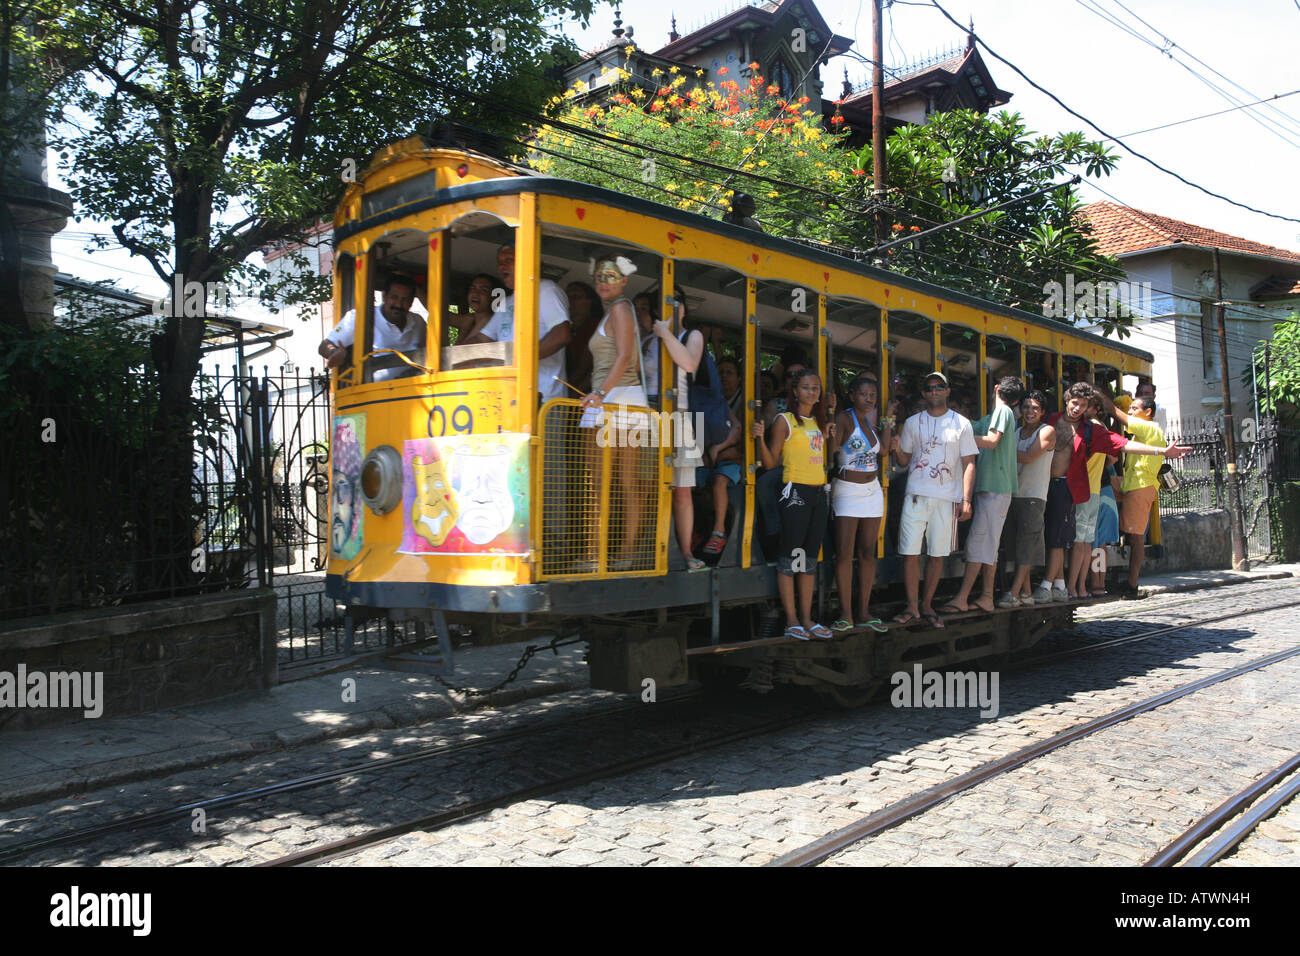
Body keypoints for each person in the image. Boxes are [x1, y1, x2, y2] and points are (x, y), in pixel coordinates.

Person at [1033, 383, 1190, 603]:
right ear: (1067, 400)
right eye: (1075, 403)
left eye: (1084, 405)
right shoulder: (1053, 420)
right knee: (1080, 541)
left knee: (1089, 541)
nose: (1078, 408)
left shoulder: (1098, 429)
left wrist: (1163, 451)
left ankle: (1102, 584)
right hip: (1077, 489)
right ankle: (1075, 585)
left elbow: (1121, 444)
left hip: (1089, 490)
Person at [890, 371, 978, 629]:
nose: (934, 391)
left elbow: (969, 463)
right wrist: (895, 447)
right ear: (924, 393)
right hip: (916, 495)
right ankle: (912, 606)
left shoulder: (961, 423)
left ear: (948, 391)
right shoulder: (912, 422)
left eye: (939, 387)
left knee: (938, 554)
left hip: (947, 498)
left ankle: (926, 605)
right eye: (929, 388)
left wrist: (966, 498)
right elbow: (905, 461)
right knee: (909, 553)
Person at [578, 255, 649, 571]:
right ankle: (623, 553)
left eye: (610, 276)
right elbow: (628, 361)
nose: (603, 282)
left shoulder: (620, 310)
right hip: (627, 401)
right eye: (599, 277)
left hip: (613, 401)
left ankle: (595, 554)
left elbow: (622, 358)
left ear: (623, 281)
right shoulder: (619, 312)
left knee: (598, 482)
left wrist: (599, 393)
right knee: (624, 481)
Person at [752, 368, 834, 640]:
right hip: (795, 492)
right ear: (795, 391)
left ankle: (807, 619)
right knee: (790, 559)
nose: (812, 392)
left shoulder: (820, 422)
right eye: (806, 387)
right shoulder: (784, 420)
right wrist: (759, 438)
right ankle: (791, 620)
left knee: (809, 560)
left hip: (818, 494)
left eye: (816, 388)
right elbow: (771, 462)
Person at [944, 376, 1024, 615]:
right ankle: (987, 596)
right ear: (1018, 398)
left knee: (978, 543)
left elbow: (990, 441)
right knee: (989, 545)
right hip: (995, 487)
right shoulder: (994, 417)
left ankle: (962, 598)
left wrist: (955, 441)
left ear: (996, 389)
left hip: (995, 487)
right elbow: (972, 426)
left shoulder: (1003, 411)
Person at [830, 375, 897, 632]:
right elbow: (833, 450)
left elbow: (883, 451)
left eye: (872, 395)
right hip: (847, 489)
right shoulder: (845, 418)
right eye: (863, 394)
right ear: (852, 395)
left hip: (872, 491)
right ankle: (846, 613)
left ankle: (864, 610)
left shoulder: (869, 423)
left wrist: (889, 417)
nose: (868, 399)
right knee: (845, 553)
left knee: (868, 552)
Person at [464, 242, 570, 401]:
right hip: (510, 398)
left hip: (543, 399)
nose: (501, 266)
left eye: (508, 260)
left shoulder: (546, 289)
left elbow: (562, 334)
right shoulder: (506, 302)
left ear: (528, 260)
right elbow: (482, 339)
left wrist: (518, 359)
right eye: (499, 263)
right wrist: (450, 357)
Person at [649, 287, 707, 571]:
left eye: (676, 301)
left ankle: (685, 553)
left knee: (682, 491)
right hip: (648, 419)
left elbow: (689, 363)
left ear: (684, 307)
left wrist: (665, 334)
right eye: (664, 301)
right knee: (649, 488)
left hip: (681, 417)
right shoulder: (650, 339)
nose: (670, 306)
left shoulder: (691, 335)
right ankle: (652, 550)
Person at [1109, 395, 1168, 599]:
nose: (1131, 411)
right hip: (1129, 484)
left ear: (1148, 412)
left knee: (1136, 539)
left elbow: (1117, 415)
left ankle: (1132, 584)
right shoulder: (1139, 433)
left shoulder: (1150, 428)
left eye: (1134, 408)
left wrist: (1097, 393)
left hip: (1141, 487)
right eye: (1130, 408)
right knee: (1103, 484)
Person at [1001, 390, 1056, 607]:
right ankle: (1026, 593)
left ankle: (1014, 592)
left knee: (1026, 546)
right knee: (1016, 546)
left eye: (1035, 408)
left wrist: (1001, 450)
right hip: (1014, 493)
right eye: (1026, 407)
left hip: (1033, 496)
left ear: (1042, 412)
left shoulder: (1047, 431)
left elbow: (1030, 456)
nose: (1029, 411)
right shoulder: (1016, 433)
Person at [319, 275, 426, 382]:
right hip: (372, 393)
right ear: (384, 296)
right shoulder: (359, 318)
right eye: (394, 297)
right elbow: (324, 346)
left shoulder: (418, 322)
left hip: (412, 388)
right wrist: (333, 353)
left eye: (405, 299)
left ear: (411, 302)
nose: (398, 304)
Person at [1065, 394, 1108, 599]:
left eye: (1085, 406)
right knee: (1086, 543)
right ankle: (1081, 587)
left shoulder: (1089, 429)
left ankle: (1073, 587)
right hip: (1095, 490)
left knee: (1077, 543)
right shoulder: (1103, 430)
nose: (1080, 410)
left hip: (1082, 490)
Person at [565, 281, 601, 395]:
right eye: (567, 297)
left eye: (575, 297)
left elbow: (586, 366)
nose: (570, 301)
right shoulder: (566, 328)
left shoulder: (596, 328)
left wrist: (570, 390)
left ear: (590, 302)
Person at [446, 273, 499, 344]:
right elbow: (438, 313)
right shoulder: (469, 319)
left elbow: (463, 351)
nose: (475, 293)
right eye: (472, 288)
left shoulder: (492, 321)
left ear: (493, 297)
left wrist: (464, 329)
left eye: (483, 290)